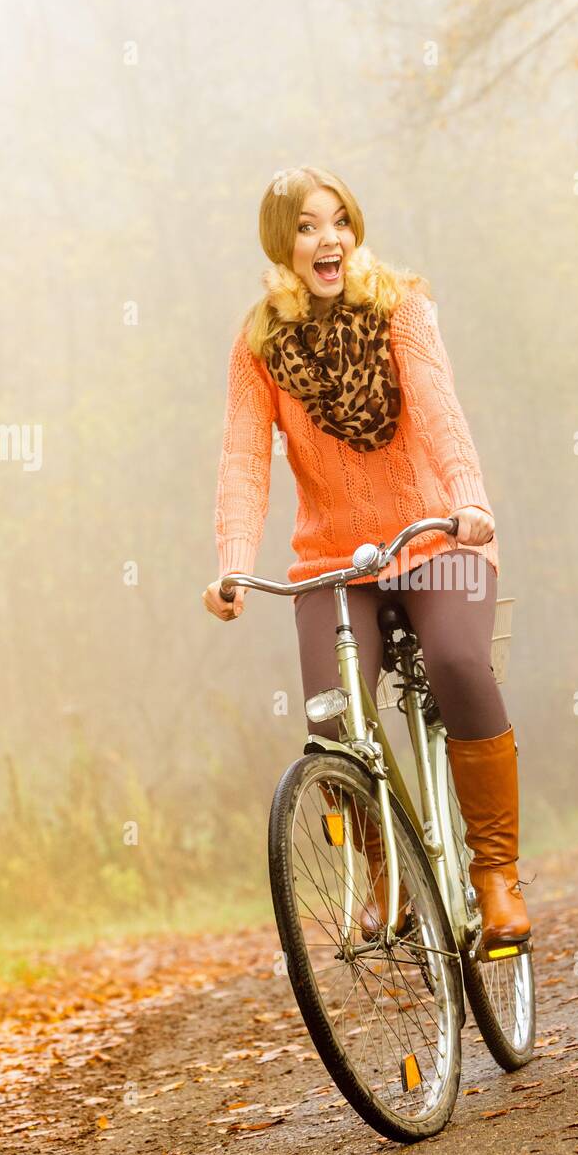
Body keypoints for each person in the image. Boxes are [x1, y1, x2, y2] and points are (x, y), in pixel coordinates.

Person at [202, 164, 530, 952]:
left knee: (456, 659)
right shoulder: (259, 346)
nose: (330, 240)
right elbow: (245, 461)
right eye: (310, 227)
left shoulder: (401, 309)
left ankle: (497, 877)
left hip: (436, 540)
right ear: (284, 246)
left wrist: (472, 500)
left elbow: (440, 410)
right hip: (334, 562)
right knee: (333, 714)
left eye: (339, 221)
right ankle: (387, 874)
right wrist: (231, 563)